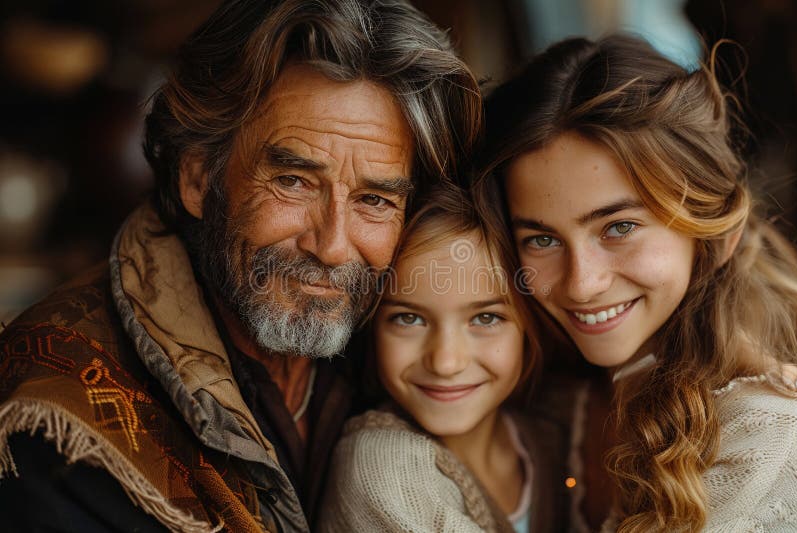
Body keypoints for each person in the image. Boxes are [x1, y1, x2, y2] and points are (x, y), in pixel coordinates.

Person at [0, 1, 482, 531]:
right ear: (197, 178)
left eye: (375, 200)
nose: (333, 247)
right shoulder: (58, 426)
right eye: (293, 182)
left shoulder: (409, 344)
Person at [474, 34, 797, 532]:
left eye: (619, 227)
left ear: (714, 228)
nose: (581, 285)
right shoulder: (558, 397)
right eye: (541, 239)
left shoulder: (767, 439)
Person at [320, 185, 572, 532]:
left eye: (486, 318)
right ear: (372, 328)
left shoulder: (548, 440)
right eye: (409, 318)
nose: (445, 362)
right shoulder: (383, 468)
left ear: (529, 327)